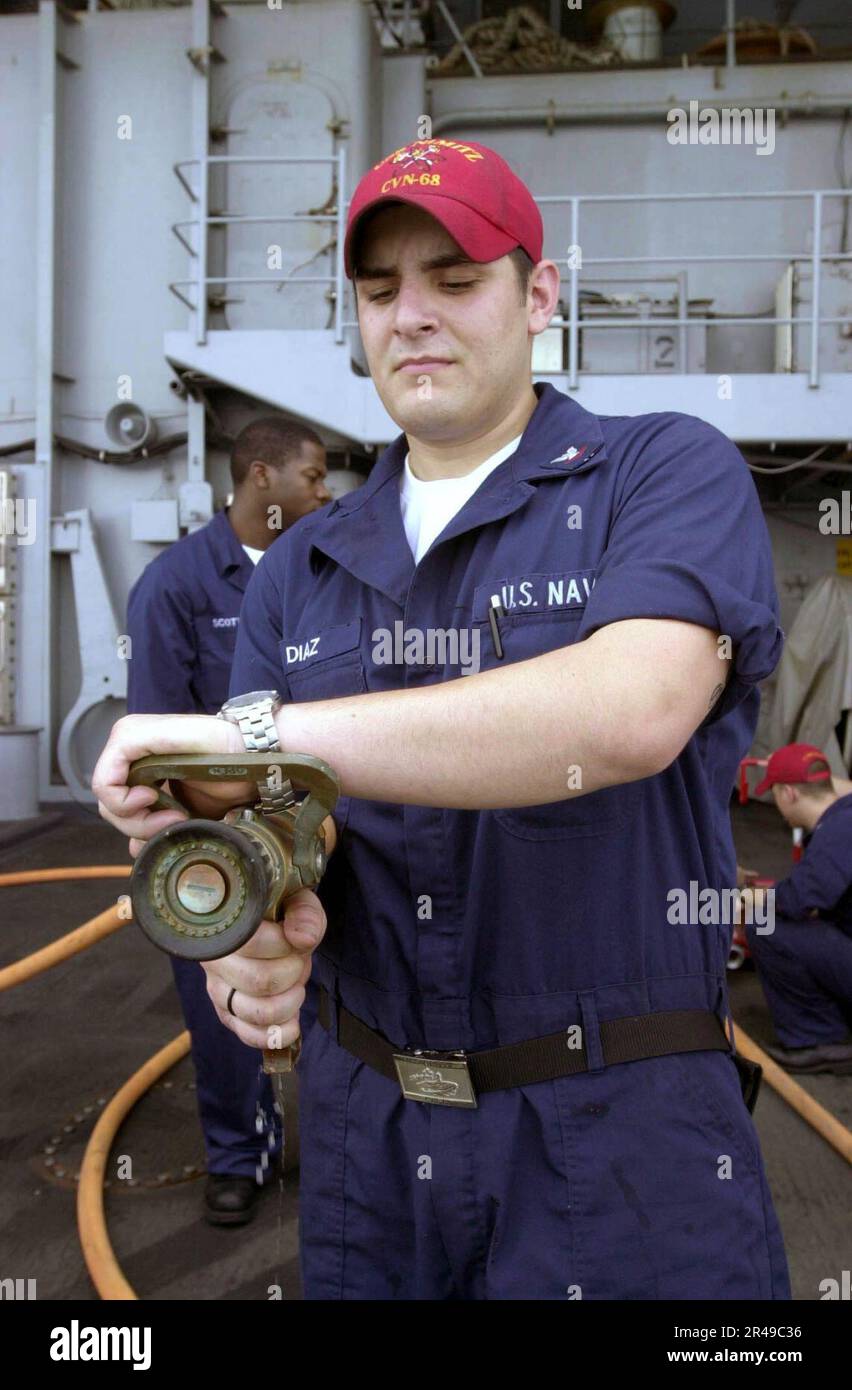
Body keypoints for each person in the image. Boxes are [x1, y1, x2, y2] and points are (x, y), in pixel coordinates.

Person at [96, 136, 791, 1298]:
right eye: (381, 291)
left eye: (456, 280)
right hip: (372, 1151)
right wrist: (251, 945)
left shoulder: (662, 473)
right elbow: (278, 829)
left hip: (621, 1142)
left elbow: (631, 711)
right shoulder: (299, 570)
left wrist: (260, 737)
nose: (412, 315)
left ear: (540, 294)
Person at [125, 416, 330, 1223]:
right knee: (224, 1013)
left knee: (319, 998)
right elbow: (157, 739)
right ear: (261, 480)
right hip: (214, 849)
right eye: (312, 476)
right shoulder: (174, 586)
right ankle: (237, 1160)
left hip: (308, 832)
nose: (325, 491)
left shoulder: (314, 574)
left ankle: (323, 1147)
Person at [739, 743, 852, 1074]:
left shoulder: (838, 831)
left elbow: (796, 900)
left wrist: (745, 898)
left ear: (787, 793)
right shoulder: (845, 815)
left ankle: (819, 1040)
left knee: (766, 925)